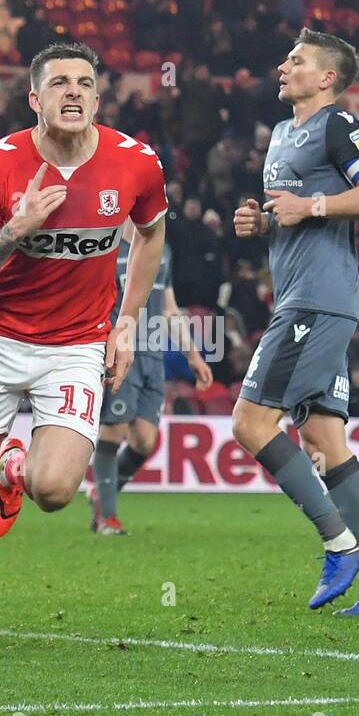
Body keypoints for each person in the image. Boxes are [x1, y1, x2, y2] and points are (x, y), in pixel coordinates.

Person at [0, 42, 168, 660]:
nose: (74, 92)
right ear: (35, 99)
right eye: (59, 83)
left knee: (55, 491)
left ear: (97, 96)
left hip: (76, 344)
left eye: (85, 82)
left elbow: (152, 234)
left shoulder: (135, 162)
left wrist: (128, 321)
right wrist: (17, 229)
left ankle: (16, 467)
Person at [232, 29, 359, 616]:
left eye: (298, 60)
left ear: (327, 77)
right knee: (324, 439)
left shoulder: (340, 125)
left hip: (317, 301)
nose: (284, 66)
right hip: (307, 298)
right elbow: (293, 213)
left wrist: (311, 206)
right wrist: (262, 223)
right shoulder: (283, 133)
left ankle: (340, 542)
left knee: (252, 423)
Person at [88, 223, 213, 535]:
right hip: (120, 352)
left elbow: (169, 309)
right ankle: (108, 517)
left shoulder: (161, 248)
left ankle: (100, 493)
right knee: (113, 429)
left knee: (144, 441)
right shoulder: (107, 247)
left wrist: (193, 355)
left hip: (153, 355)